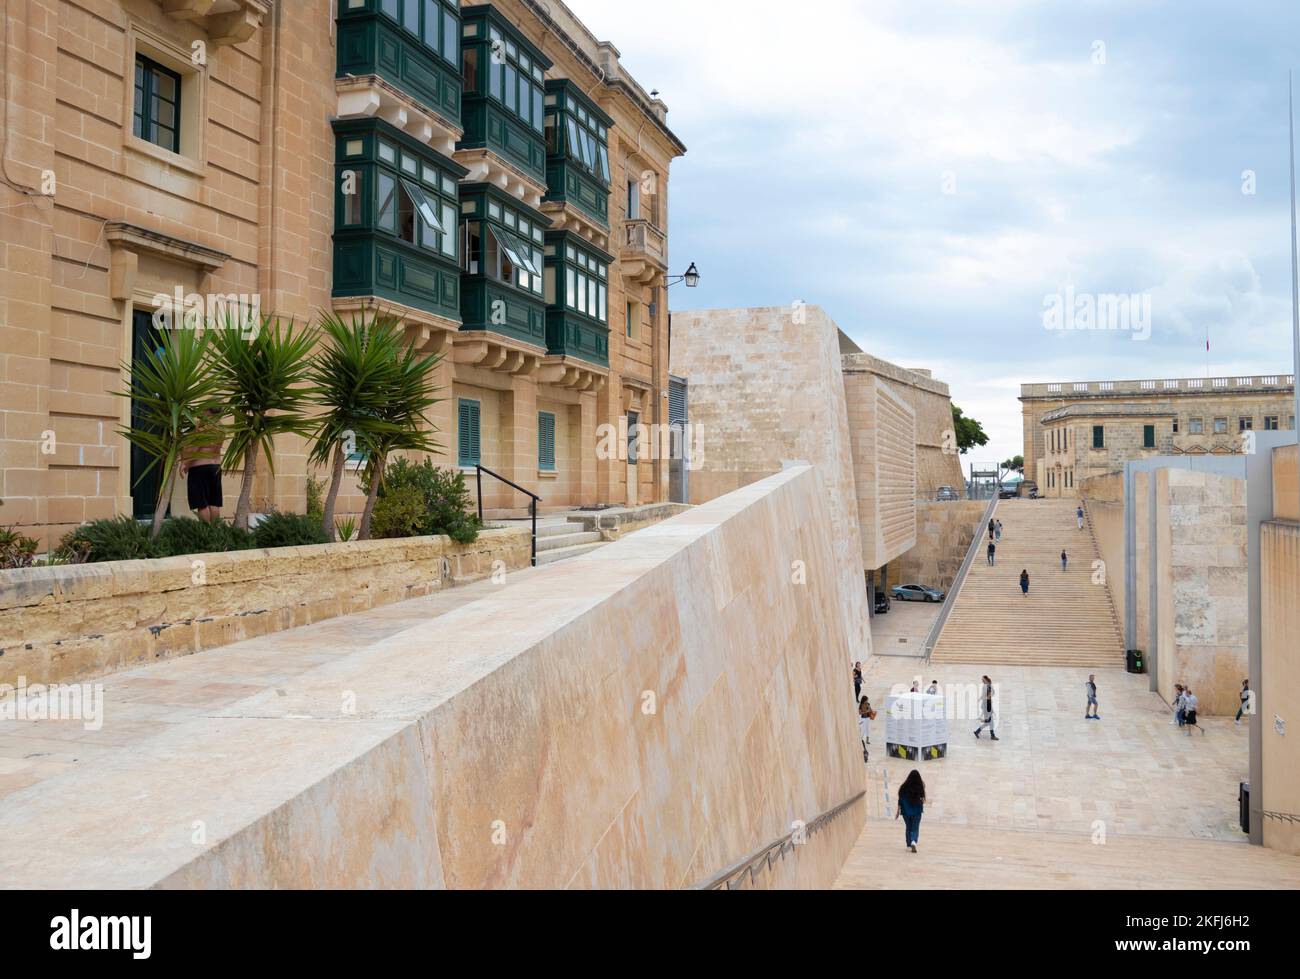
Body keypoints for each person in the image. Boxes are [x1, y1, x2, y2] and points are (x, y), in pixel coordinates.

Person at [180, 408, 225, 524]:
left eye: (205, 409)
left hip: (200, 468)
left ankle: (206, 533)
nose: (202, 412)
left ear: (209, 411)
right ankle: (215, 532)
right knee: (214, 503)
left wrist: (185, 463)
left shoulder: (203, 428)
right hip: (215, 467)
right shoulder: (221, 428)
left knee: (202, 503)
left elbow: (196, 449)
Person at [896, 769, 927, 853]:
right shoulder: (919, 786)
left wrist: (898, 811)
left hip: (906, 811)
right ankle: (913, 841)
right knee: (915, 828)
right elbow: (922, 799)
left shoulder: (903, 787)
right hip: (916, 811)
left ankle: (909, 845)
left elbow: (900, 799)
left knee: (908, 827)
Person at [973, 675, 998, 740]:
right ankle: (991, 735)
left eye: (983, 680)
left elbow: (993, 692)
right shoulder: (984, 687)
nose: (982, 681)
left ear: (986, 680)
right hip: (986, 706)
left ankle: (977, 731)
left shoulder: (990, 685)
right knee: (989, 722)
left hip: (988, 704)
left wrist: (989, 695)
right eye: (982, 680)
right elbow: (983, 695)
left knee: (989, 723)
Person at [858, 696, 874, 761]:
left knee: (867, 730)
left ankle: (867, 740)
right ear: (864, 700)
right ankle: (861, 739)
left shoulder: (868, 704)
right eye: (866, 700)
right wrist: (866, 712)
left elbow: (870, 710)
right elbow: (859, 713)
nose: (867, 701)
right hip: (863, 719)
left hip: (867, 718)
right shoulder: (861, 705)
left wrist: (869, 710)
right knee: (863, 730)